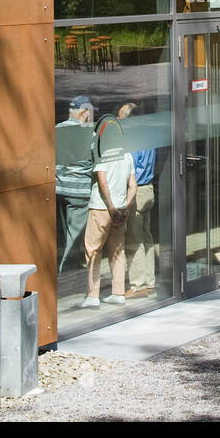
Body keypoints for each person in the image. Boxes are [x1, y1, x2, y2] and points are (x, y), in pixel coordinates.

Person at [82, 118, 137, 308]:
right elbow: (133, 185)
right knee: (117, 251)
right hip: (121, 209)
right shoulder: (127, 155)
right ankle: (118, 293)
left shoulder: (103, 153)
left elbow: (102, 181)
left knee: (93, 250)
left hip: (101, 208)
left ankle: (93, 295)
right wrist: (125, 207)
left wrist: (111, 206)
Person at [117, 103, 158, 298]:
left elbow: (132, 168)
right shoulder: (149, 135)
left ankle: (138, 285)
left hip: (137, 191)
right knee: (146, 236)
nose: (118, 120)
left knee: (134, 239)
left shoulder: (133, 139)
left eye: (121, 117)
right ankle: (149, 282)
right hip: (148, 189)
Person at [55, 96, 96, 273]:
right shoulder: (89, 133)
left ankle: (67, 267)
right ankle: (67, 274)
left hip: (59, 189)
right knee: (74, 238)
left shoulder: (57, 129)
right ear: (84, 112)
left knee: (65, 234)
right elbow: (96, 161)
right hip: (79, 193)